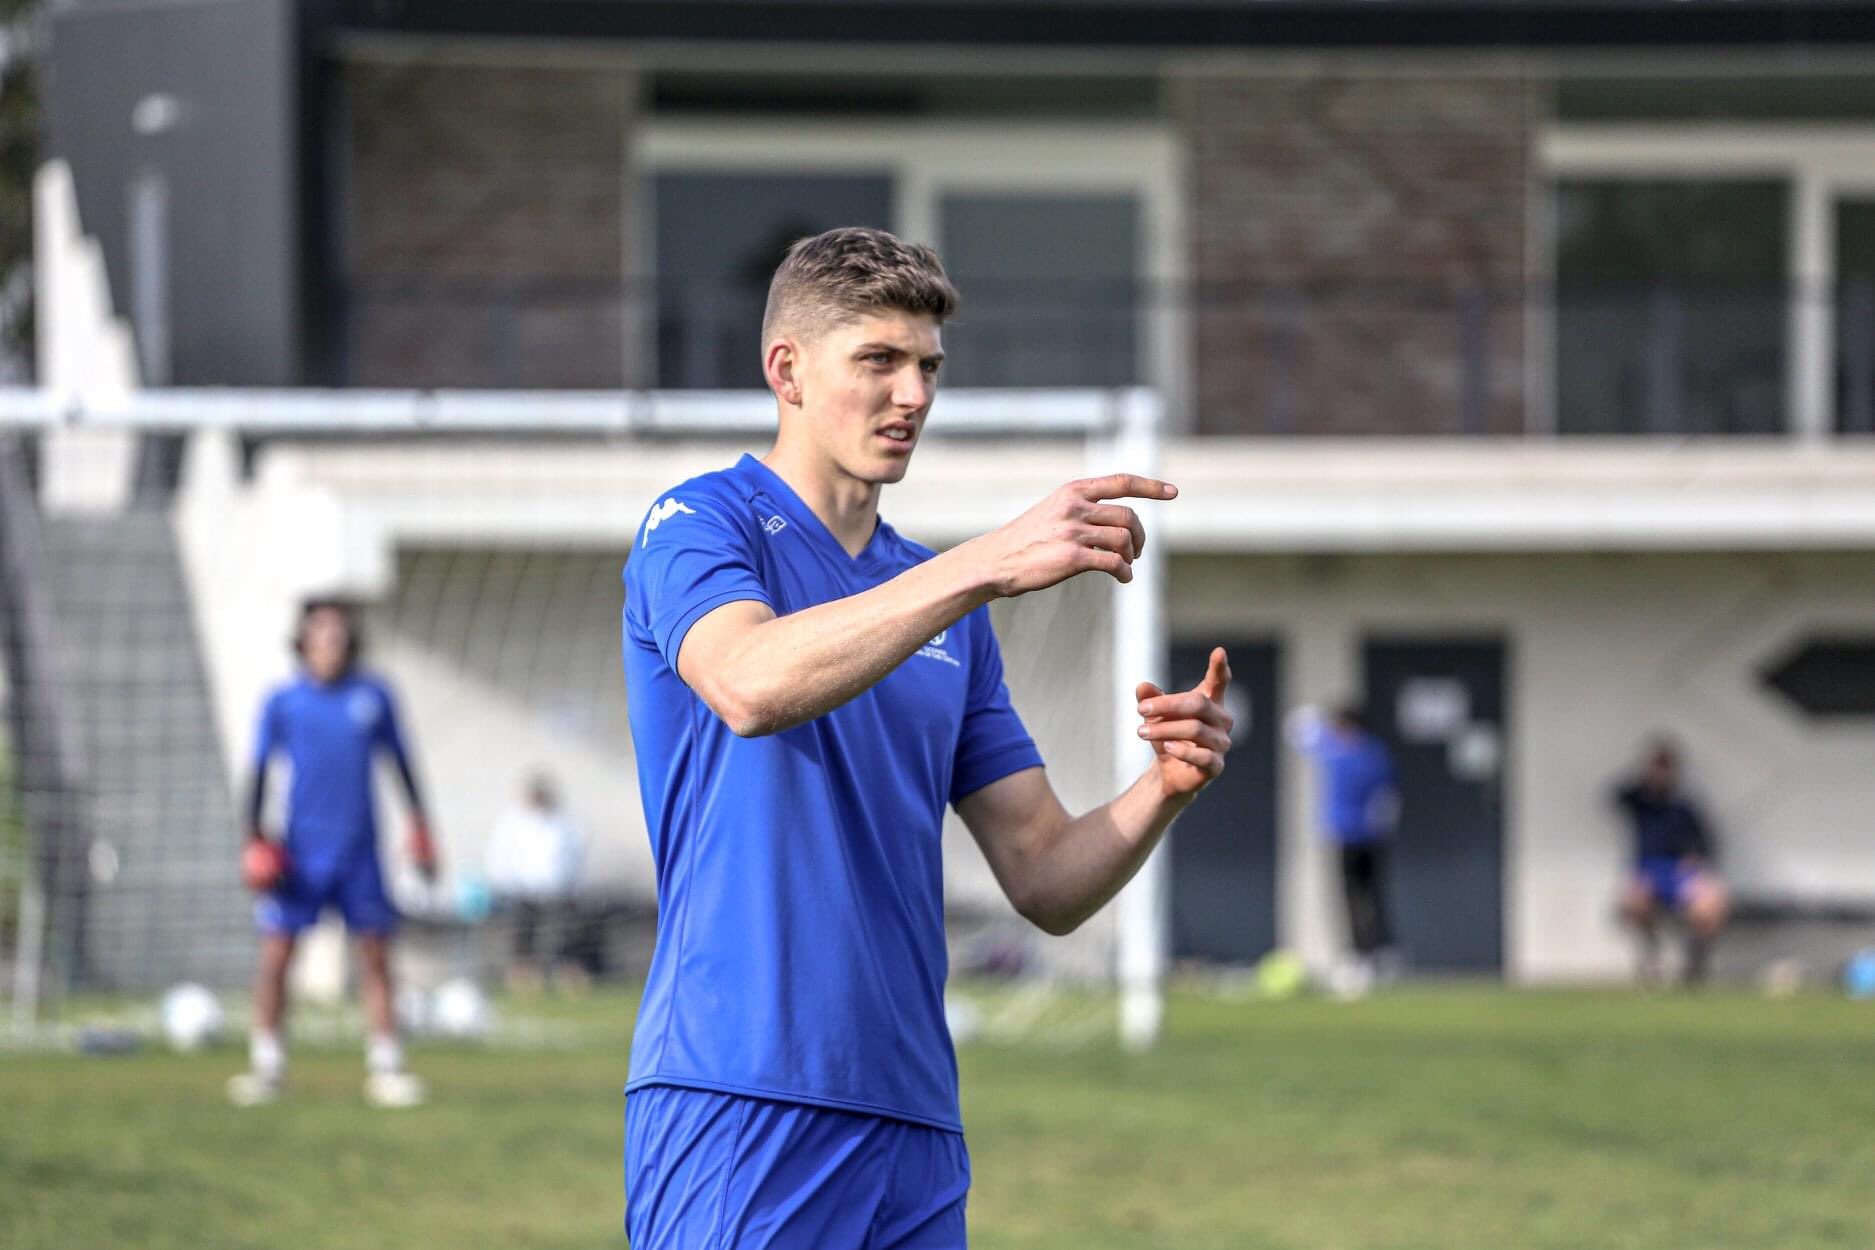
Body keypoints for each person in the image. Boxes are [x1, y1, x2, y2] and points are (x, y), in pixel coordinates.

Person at [622, 226, 1235, 1248]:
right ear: (788, 370)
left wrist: (1162, 786)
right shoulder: (698, 522)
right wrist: (981, 563)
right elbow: (747, 680)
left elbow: (1044, 873)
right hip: (740, 1092)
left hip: (912, 1117)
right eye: (879, 360)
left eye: (928, 367)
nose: (913, 394)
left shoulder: (946, 608)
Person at [228, 599, 438, 1108]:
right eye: (322, 634)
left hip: (359, 852)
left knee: (375, 955)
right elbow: (258, 772)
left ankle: (387, 1066)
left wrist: (420, 828)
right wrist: (253, 838)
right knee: (277, 956)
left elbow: (402, 765)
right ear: (304, 641)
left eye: (340, 635)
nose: (331, 644)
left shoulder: (373, 695)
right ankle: (267, 1065)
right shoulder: (283, 701)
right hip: (299, 854)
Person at [1288, 702, 1400, 987]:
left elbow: (1297, 732)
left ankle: (1362, 957)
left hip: (1351, 834)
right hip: (1369, 835)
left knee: (1356, 898)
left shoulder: (1337, 751)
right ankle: (1378, 954)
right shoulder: (1374, 752)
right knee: (1370, 895)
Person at [1613, 739, 1729, 986]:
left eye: (1664, 767)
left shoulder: (1684, 808)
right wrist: (1644, 780)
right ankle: (1650, 956)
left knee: (1712, 903)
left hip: (1678, 872)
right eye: (1655, 767)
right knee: (1632, 899)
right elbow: (1616, 796)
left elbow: (1705, 845)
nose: (1659, 773)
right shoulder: (1640, 802)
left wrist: (1694, 859)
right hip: (1648, 869)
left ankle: (1694, 965)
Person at [485, 771, 586, 991]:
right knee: (523, 938)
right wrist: (507, 883)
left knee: (563, 936)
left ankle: (565, 975)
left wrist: (572, 884)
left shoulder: (564, 820)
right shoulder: (512, 820)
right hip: (522, 890)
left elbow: (576, 854)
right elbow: (500, 854)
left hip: (557, 890)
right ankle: (524, 977)